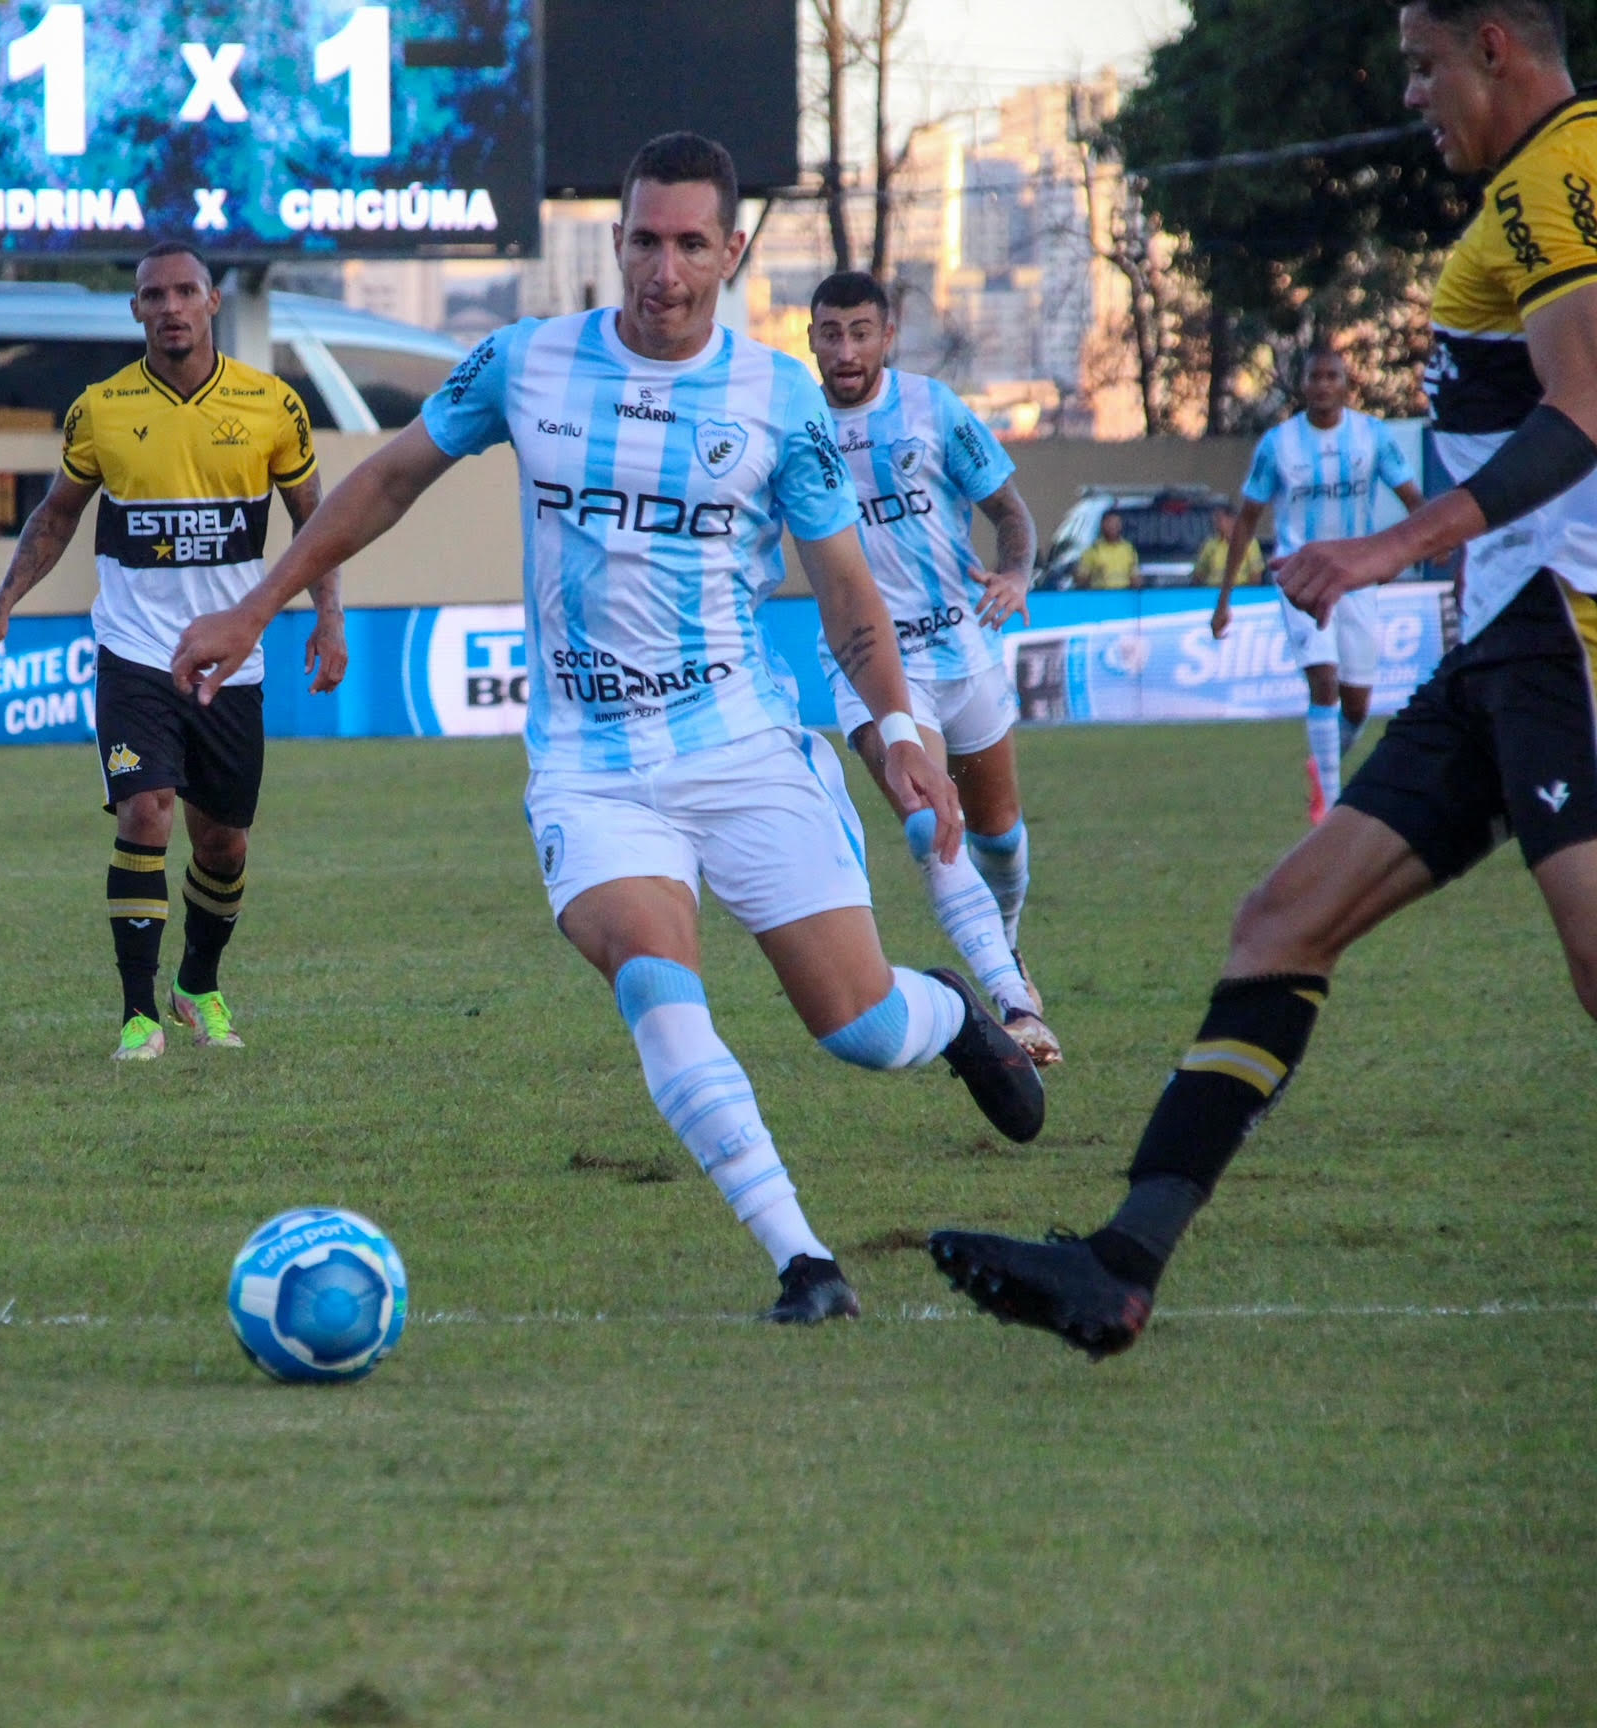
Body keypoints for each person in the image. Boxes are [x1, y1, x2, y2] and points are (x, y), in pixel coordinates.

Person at [172, 133, 1045, 1326]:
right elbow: (389, 480)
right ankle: (803, 1260)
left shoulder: (780, 399)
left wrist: (898, 728)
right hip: (589, 766)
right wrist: (257, 605)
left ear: (733, 251)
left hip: (741, 748)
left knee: (864, 1030)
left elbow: (846, 594)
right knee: (655, 977)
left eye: (693, 244)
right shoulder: (525, 364)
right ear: (617, 240)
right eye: (645, 239)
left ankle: (946, 1011)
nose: (665, 269)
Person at [932, 0, 1597, 1358]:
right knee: (1278, 921)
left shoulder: (1558, 180)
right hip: (1505, 643)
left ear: (1497, 47)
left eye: (1422, 64)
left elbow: (1586, 410)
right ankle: (1118, 1269)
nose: (1412, 94)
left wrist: (1388, 547)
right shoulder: (1532, 190)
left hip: (1564, 634)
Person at [0, 240, 344, 1061]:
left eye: (184, 292)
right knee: (146, 812)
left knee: (223, 844)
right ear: (135, 310)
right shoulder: (99, 409)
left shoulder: (271, 403)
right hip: (134, 653)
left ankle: (197, 984)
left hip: (231, 660)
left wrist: (330, 616)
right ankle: (137, 1014)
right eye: (152, 295)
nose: (169, 307)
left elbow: (316, 520)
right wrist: (2, 603)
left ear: (212, 302)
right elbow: (57, 516)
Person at [803, 270, 1058, 1064]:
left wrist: (1016, 574)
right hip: (869, 661)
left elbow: (1010, 515)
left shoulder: (933, 411)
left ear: (887, 336)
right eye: (830, 333)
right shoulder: (790, 423)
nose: (845, 350)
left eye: (860, 332)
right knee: (927, 824)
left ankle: (1005, 944)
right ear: (810, 337)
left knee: (1001, 838)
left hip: (963, 650)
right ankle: (1015, 1008)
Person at [1213, 348, 1428, 820]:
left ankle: (1322, 765)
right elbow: (1247, 520)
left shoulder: (1373, 436)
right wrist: (1224, 598)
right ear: (1303, 384)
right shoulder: (1278, 444)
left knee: (1357, 705)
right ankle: (1328, 807)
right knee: (1324, 681)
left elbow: (1416, 501)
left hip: (1357, 576)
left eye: (1333, 376)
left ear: (1347, 384)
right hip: (1299, 575)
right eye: (1316, 376)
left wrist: (1407, 555)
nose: (1324, 384)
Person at [1191, 507, 1266, 590]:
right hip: (1212, 591)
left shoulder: (1249, 543)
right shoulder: (1210, 544)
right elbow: (1199, 574)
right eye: (1216, 520)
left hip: (1240, 592)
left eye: (1220, 519)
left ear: (1231, 521)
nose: (1216, 523)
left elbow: (1256, 575)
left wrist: (1250, 595)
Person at [1076, 513, 1140, 588]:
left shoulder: (1129, 549)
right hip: (1101, 595)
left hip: (1123, 595)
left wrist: (1138, 584)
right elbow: (1082, 577)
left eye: (1116, 524)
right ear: (1102, 526)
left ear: (1120, 526)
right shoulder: (1093, 550)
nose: (1112, 527)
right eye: (1109, 524)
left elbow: (1135, 575)